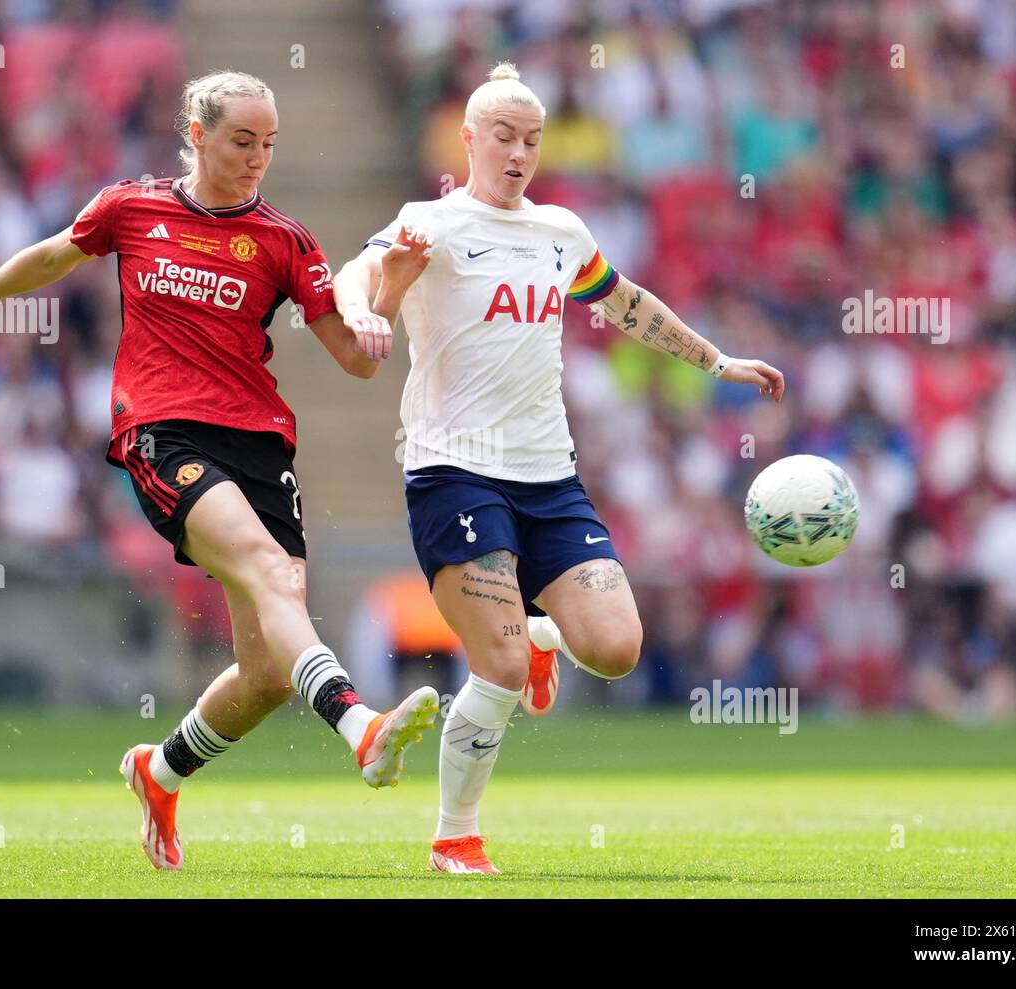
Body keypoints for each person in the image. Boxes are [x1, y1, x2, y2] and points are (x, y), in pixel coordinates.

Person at [0, 70, 439, 872]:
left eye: (269, 143)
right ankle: (359, 726)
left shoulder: (286, 239)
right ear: (196, 134)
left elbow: (353, 359)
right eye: (242, 140)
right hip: (163, 430)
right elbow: (55, 253)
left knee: (265, 672)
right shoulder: (133, 206)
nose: (258, 157)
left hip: (259, 443)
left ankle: (158, 771)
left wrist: (390, 294)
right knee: (271, 571)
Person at [332, 63, 784, 874]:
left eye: (532, 140)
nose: (518, 153)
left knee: (615, 648)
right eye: (503, 136)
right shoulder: (430, 221)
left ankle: (546, 634)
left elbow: (627, 301)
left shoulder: (560, 233)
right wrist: (364, 309)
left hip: (549, 477)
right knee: (498, 666)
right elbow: (355, 273)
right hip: (453, 471)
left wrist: (717, 360)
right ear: (468, 138)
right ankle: (455, 835)